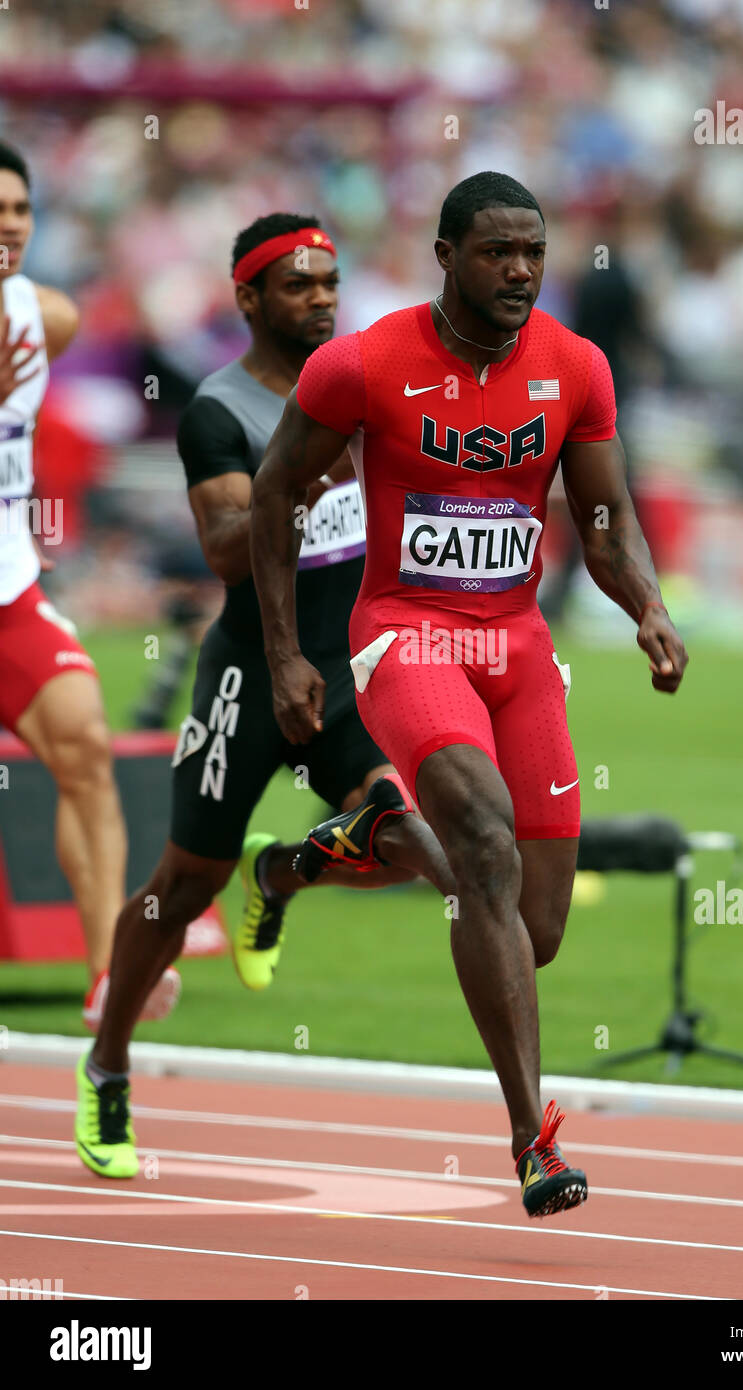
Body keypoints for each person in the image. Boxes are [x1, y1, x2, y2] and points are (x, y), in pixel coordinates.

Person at [250, 172, 689, 1218]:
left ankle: (362, 844)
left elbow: (605, 518)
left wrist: (650, 605)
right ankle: (531, 1136)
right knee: (485, 842)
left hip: (520, 642)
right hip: (404, 632)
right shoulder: (362, 363)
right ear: (446, 256)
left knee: (529, 932)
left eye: (534, 250)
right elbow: (273, 496)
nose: (522, 270)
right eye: (497, 252)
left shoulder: (576, 366)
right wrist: (284, 657)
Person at [75, 213, 454, 1179]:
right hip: (249, 674)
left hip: (348, 665)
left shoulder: (367, 387)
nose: (323, 298)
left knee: (414, 840)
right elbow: (224, 552)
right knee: (179, 886)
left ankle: (277, 875)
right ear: (249, 299)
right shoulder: (218, 410)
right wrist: (307, 468)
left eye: (331, 282)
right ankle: (109, 1064)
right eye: (299, 285)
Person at [0, 140, 178, 1030]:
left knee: (85, 747)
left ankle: (109, 974)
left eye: (19, 214)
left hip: (13, 597)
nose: (8, 230)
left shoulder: (45, 317)